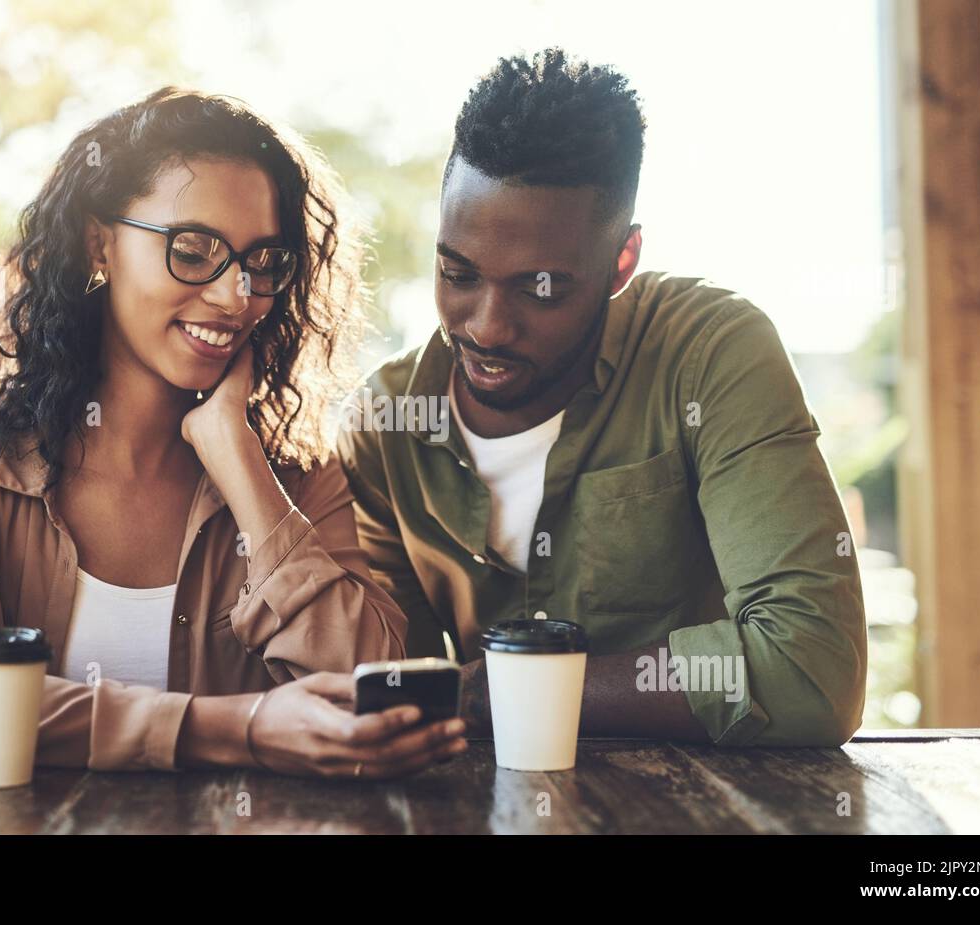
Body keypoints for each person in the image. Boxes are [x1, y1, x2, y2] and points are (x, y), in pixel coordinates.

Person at [0, 88, 467, 778]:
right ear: (100, 241)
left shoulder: (296, 475)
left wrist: (241, 464)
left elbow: (381, 697)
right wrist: (239, 727)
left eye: (264, 262)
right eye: (193, 249)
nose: (235, 295)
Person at [337, 50, 868, 747]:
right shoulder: (386, 426)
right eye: (458, 273)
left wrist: (502, 691)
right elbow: (397, 696)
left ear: (622, 261)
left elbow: (811, 671)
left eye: (542, 287)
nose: (487, 326)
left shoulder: (708, 354)